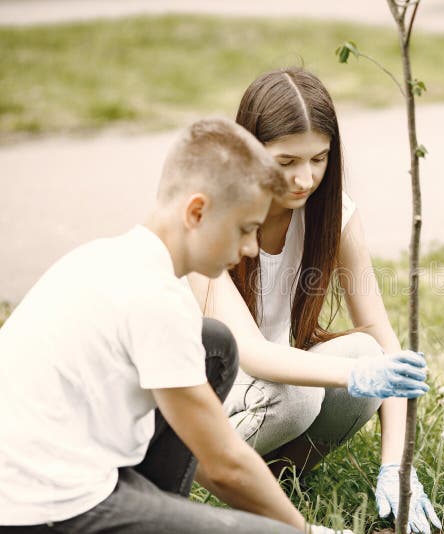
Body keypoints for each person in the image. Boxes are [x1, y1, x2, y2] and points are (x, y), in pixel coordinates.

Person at [0, 118, 370, 533]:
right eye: (245, 229)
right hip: (44, 510)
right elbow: (224, 465)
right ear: (197, 211)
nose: (249, 247)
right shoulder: (155, 297)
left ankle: (158, 506)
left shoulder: (106, 257)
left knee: (212, 344)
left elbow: (210, 453)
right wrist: (303, 530)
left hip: (50, 473)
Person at [187, 68, 441, 534]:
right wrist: (358, 375)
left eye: (319, 159)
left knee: (366, 354)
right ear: (248, 152)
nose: (305, 179)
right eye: (285, 162)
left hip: (271, 398)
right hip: (201, 407)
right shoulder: (209, 219)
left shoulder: (333, 214)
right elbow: (255, 355)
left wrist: (396, 468)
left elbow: (380, 338)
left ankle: (271, 486)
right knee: (309, 392)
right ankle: (211, 481)